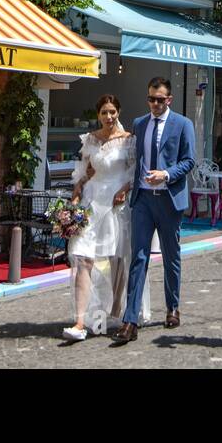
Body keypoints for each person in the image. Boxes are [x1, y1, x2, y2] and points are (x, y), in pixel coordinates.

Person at [112, 77, 196, 345]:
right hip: (144, 200)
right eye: (151, 99)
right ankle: (130, 320)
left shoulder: (183, 124)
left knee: (171, 256)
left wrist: (167, 174)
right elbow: (133, 160)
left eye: (160, 99)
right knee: (138, 257)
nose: (155, 104)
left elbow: (189, 160)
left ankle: (172, 307)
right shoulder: (139, 124)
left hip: (170, 200)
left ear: (169, 100)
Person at [62, 95, 147, 341]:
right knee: (82, 256)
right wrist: (77, 191)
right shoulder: (90, 139)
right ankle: (79, 321)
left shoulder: (129, 141)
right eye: (104, 113)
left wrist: (125, 190)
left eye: (112, 112)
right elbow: (85, 170)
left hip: (117, 203)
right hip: (92, 200)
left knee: (119, 259)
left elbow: (135, 171)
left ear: (118, 112)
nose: (109, 117)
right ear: (98, 115)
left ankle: (117, 309)